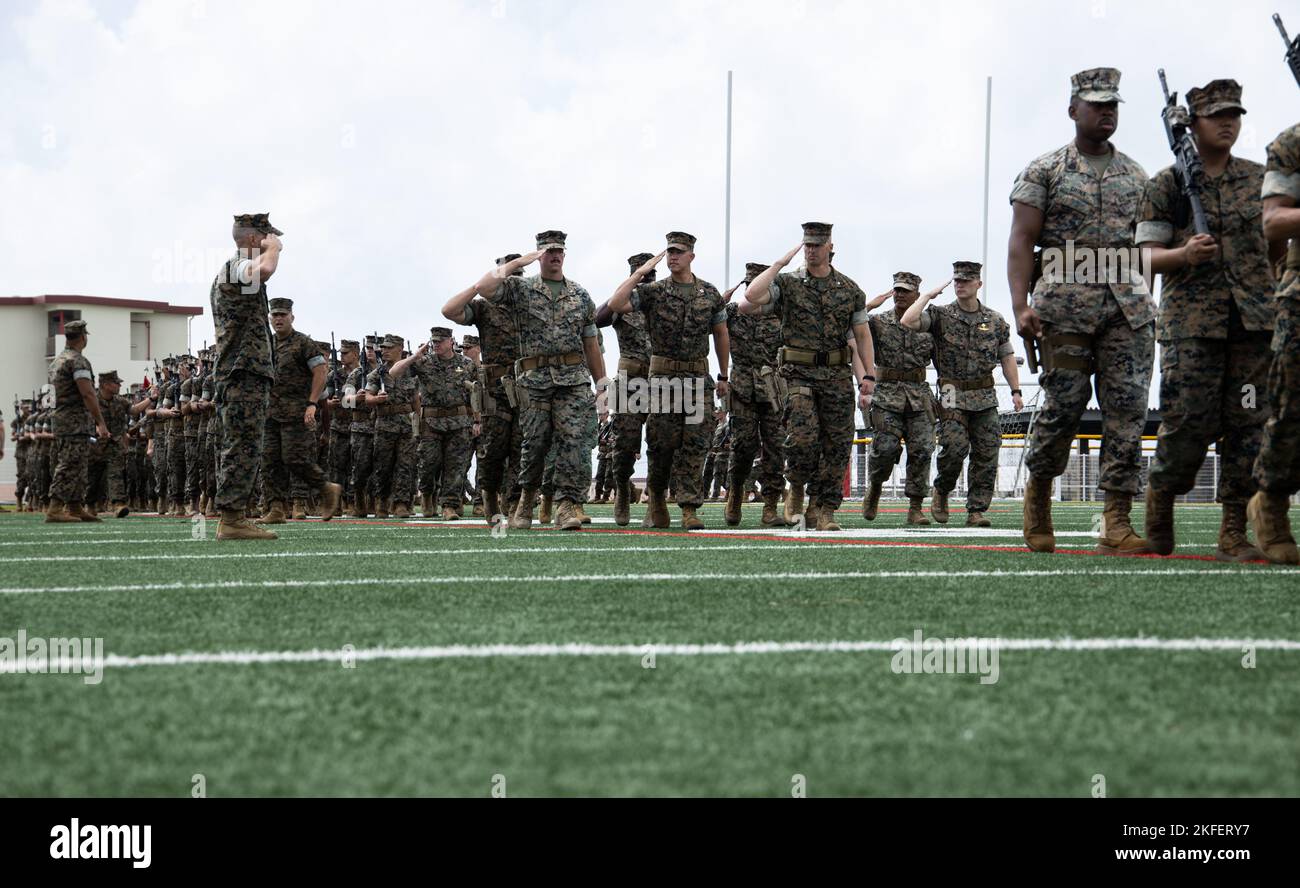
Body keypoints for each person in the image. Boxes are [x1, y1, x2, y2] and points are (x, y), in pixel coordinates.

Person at [1008, 68, 1153, 554]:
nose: (1106, 111)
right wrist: (1019, 305)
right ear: (1074, 110)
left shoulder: (1137, 177)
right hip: (1062, 313)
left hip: (1126, 314)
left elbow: (1147, 249)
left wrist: (1146, 300)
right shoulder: (1044, 171)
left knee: (1127, 414)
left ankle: (1116, 520)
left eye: (1113, 104)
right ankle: (1039, 498)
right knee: (1062, 410)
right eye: (1096, 104)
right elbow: (1021, 245)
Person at [1136, 79, 1275, 561]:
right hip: (1191, 329)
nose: (1228, 123)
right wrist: (1183, 254)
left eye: (1234, 114)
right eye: (1217, 115)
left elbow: (1275, 243)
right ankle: (1160, 501)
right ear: (1192, 123)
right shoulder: (1168, 183)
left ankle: (1234, 531)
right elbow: (1144, 258)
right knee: (1187, 422)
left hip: (1253, 327)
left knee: (1249, 425)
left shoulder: (1260, 178)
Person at [468, 231, 608, 531]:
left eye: (559, 250)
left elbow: (591, 344)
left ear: (564, 255)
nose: (554, 255)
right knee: (535, 444)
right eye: (548, 251)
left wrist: (601, 385)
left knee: (573, 440)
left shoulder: (580, 295)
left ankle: (566, 505)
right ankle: (526, 498)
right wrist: (517, 262)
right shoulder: (521, 289)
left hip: (573, 380)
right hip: (534, 381)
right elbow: (483, 287)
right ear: (538, 256)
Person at [742, 222, 876, 531]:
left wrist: (868, 374)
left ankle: (823, 509)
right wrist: (779, 264)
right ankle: (797, 488)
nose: (811, 250)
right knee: (802, 440)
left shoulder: (850, 290)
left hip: (836, 375)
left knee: (838, 443)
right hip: (797, 374)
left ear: (830, 247)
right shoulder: (788, 284)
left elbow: (862, 334)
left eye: (817, 244)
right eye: (807, 244)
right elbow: (751, 294)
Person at [608, 232, 727, 530]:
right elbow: (616, 302)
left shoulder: (709, 294)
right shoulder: (655, 291)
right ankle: (657, 498)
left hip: (698, 379)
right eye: (670, 251)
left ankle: (689, 507)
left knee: (696, 441)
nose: (673, 256)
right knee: (662, 443)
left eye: (679, 252)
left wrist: (724, 374)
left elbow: (721, 333)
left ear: (691, 256)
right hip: (661, 380)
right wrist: (640, 273)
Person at [902, 261, 1022, 527]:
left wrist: (1016, 391)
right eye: (956, 280)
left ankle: (976, 510)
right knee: (954, 448)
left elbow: (1007, 357)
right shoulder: (940, 314)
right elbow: (908, 321)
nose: (960, 285)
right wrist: (926, 296)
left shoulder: (995, 320)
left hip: (984, 392)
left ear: (978, 284)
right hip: (950, 391)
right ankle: (942, 491)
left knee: (987, 451)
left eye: (966, 281)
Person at [210, 212, 284, 540]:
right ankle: (231, 519)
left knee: (244, 443)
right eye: (267, 236)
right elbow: (263, 271)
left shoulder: (235, 269)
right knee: (243, 444)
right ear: (255, 238)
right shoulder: (237, 265)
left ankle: (234, 515)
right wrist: (274, 250)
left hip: (244, 371)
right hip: (243, 371)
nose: (273, 240)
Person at [257, 298, 342, 524]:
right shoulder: (266, 343)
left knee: (295, 459)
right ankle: (275, 507)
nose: (278, 319)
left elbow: (321, 371)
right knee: (270, 461)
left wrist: (312, 403)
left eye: (283, 315)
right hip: (270, 414)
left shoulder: (304, 343)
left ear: (292, 317)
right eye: (275, 315)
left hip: (297, 413)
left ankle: (326, 488)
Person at [864, 272, 940, 525]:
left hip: (919, 396)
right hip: (886, 395)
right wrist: (871, 304)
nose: (899, 295)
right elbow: (849, 326)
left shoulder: (929, 325)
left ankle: (915, 507)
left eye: (905, 291)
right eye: (896, 290)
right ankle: (875, 487)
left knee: (921, 450)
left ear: (917, 295)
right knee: (884, 448)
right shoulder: (878, 322)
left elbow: (944, 359)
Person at [723, 262, 788, 526]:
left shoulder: (781, 316)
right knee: (744, 446)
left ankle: (770, 506)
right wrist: (722, 299)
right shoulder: (733, 313)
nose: (753, 291)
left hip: (773, 389)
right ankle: (736, 492)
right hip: (742, 388)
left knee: (776, 447)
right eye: (749, 286)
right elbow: (704, 320)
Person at [390, 327, 476, 520]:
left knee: (456, 466)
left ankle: (449, 506)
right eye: (433, 341)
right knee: (428, 464)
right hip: (431, 423)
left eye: (440, 341)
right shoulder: (424, 362)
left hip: (459, 422)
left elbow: (476, 393)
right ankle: (428, 495)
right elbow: (394, 372)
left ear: (451, 341)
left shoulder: (467, 364)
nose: (436, 344)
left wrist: (477, 420)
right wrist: (414, 356)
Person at [45, 319, 110, 523]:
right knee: (69, 463)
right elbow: (88, 394)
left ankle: (74, 506)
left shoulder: (57, 362)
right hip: (74, 421)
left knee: (79, 464)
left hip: (62, 419)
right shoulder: (78, 361)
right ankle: (55, 507)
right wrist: (100, 422)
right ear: (83, 337)